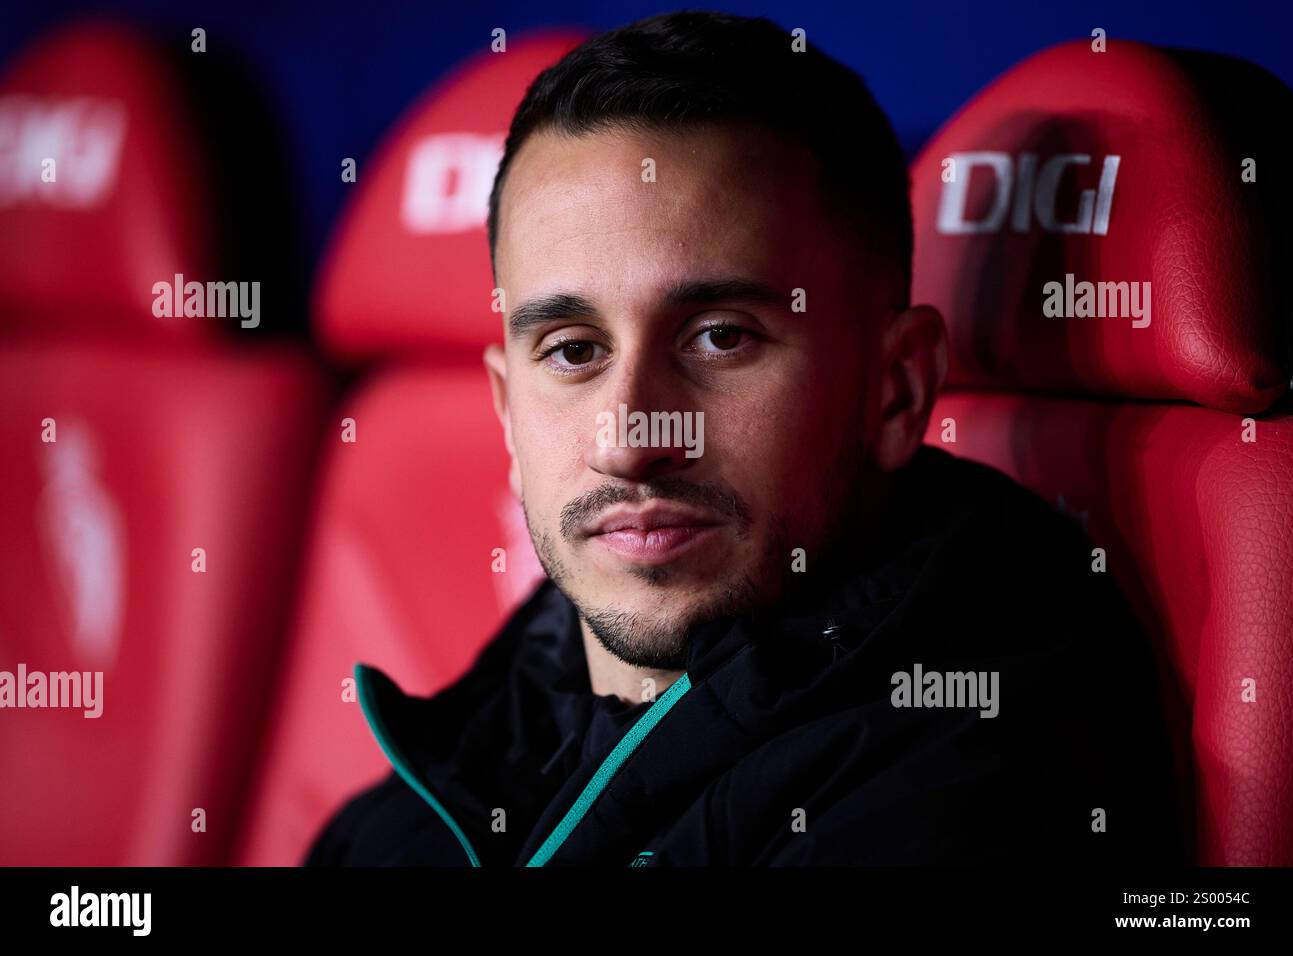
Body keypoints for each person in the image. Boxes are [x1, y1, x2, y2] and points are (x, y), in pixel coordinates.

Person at [304, 10, 1184, 866]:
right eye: (572, 351)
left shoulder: (970, 773)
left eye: (721, 337)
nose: (630, 439)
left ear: (896, 389)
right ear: (506, 409)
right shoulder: (453, 759)